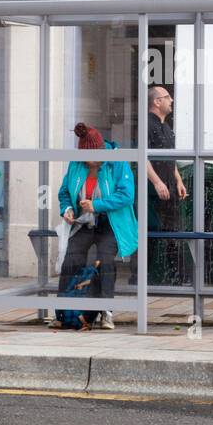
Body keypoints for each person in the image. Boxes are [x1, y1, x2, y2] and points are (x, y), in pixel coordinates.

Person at [56, 122, 138, 330]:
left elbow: (127, 195)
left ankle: (106, 312)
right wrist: (67, 209)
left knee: (104, 261)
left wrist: (97, 205)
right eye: (86, 158)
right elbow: (65, 192)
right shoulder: (77, 164)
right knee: (71, 260)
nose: (91, 163)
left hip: (110, 222)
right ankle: (63, 313)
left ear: (103, 150)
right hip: (83, 221)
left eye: (94, 158)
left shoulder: (117, 162)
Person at [146, 86, 188, 285]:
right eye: (167, 97)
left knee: (173, 232)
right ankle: (143, 277)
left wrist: (178, 181)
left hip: (169, 188)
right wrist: (157, 182)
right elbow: (142, 158)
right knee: (151, 234)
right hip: (153, 192)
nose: (171, 100)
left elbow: (170, 159)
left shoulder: (168, 128)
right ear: (157, 102)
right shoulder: (147, 125)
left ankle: (176, 277)